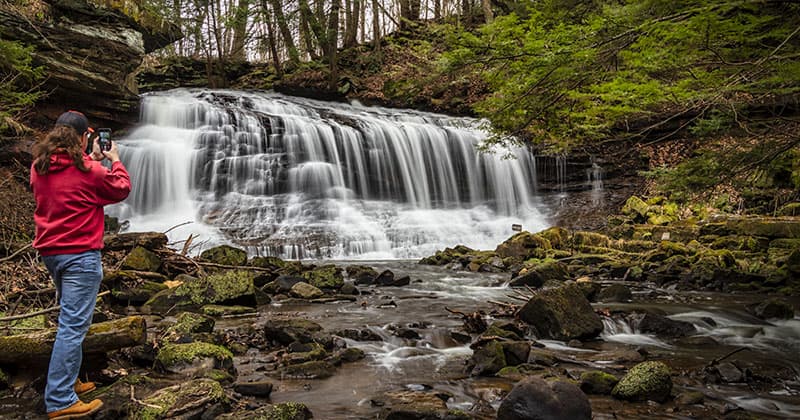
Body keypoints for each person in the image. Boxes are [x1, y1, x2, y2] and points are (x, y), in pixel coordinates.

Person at [30, 110, 131, 419]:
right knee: (73, 327)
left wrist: (91, 160)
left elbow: (65, 189)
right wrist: (112, 158)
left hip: (51, 253)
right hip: (80, 255)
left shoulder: (39, 166)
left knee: (68, 319)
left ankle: (68, 379)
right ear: (83, 137)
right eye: (88, 136)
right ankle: (60, 399)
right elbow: (121, 187)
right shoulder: (90, 170)